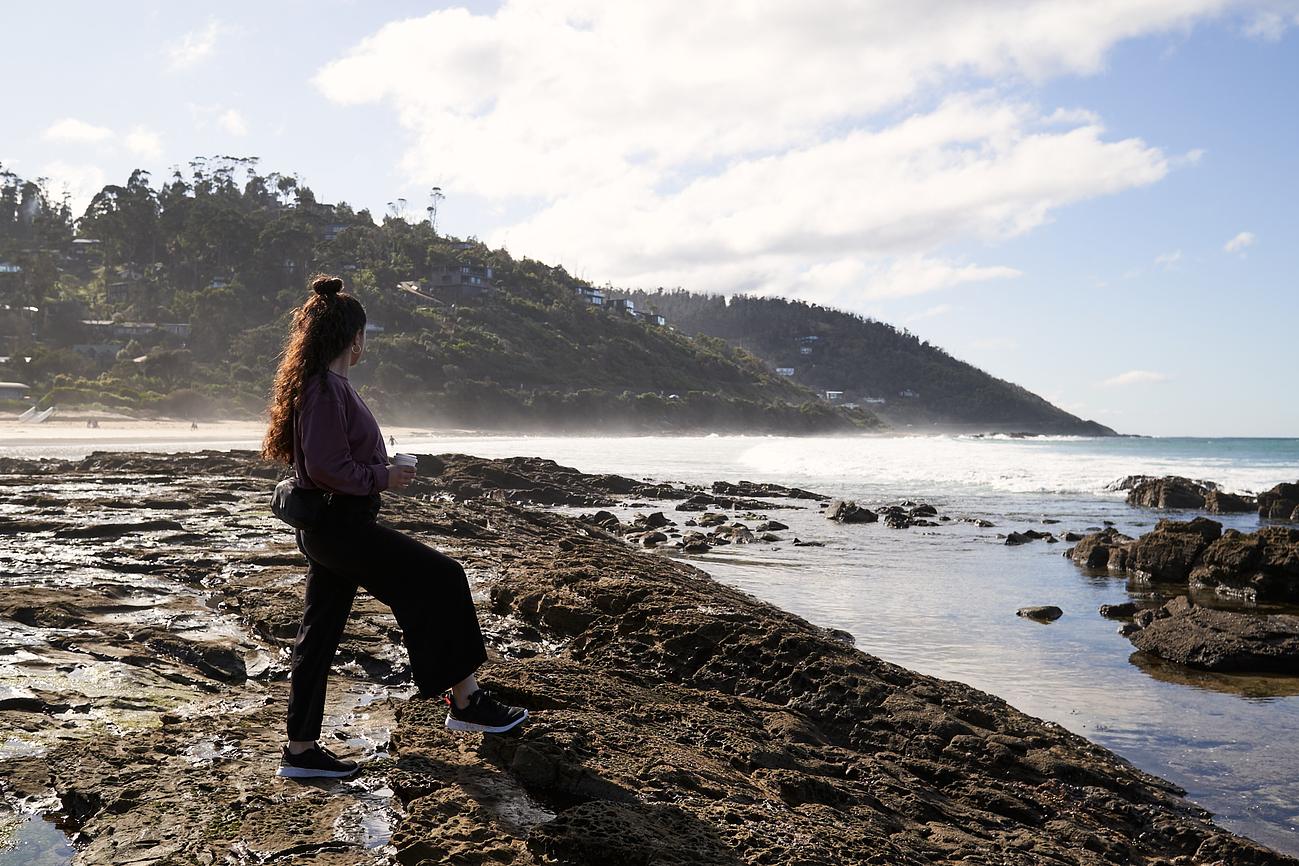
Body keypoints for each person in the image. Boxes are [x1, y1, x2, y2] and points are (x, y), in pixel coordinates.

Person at [261, 274, 528, 780]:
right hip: (340, 527)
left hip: (334, 527)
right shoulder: (323, 388)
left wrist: (380, 470)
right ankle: (466, 702)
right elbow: (325, 466)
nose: (366, 345)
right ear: (354, 337)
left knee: (319, 636)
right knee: (441, 578)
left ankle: (300, 753)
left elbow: (329, 461)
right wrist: (386, 475)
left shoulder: (326, 384)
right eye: (366, 337)